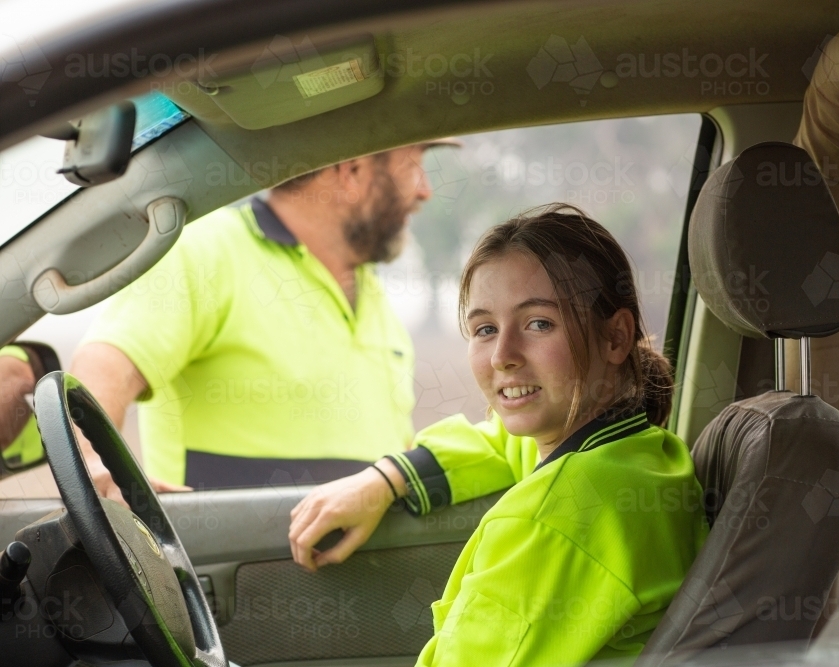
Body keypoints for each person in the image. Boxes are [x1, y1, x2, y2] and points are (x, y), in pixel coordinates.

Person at [289, 204, 708, 665]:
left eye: (538, 323)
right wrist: (387, 478)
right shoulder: (635, 450)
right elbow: (500, 443)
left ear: (615, 337)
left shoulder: (557, 517)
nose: (502, 356)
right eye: (485, 328)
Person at [71, 141, 457, 501]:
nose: (424, 190)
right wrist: (92, 467)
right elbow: (103, 368)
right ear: (353, 170)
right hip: (224, 566)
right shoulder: (206, 250)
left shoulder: (373, 294)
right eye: (414, 165)